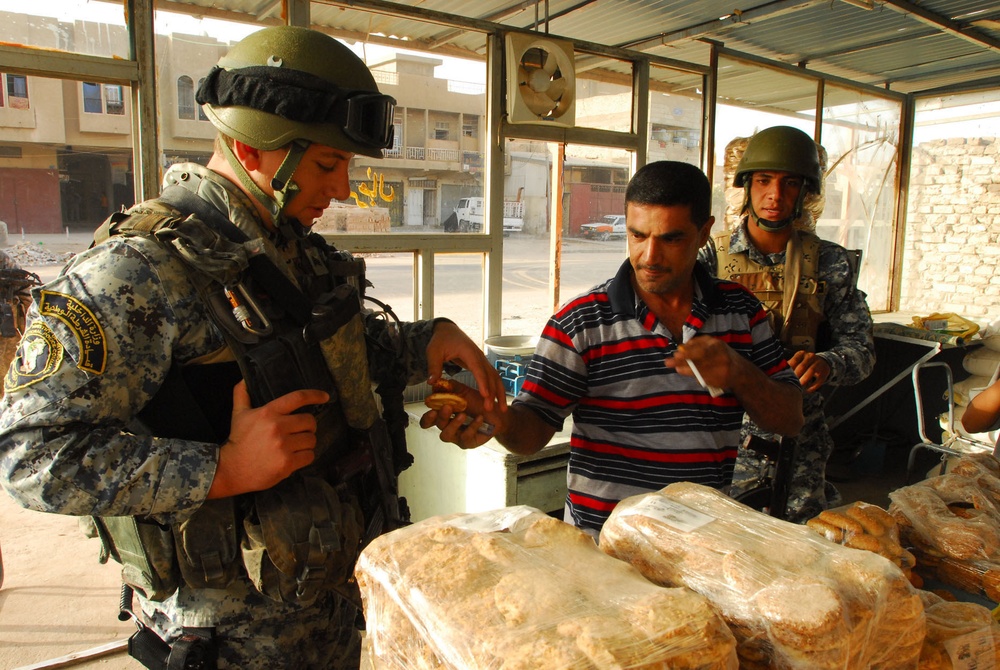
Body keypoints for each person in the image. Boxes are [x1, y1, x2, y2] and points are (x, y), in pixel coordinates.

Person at [0, 26, 504, 670]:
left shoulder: (286, 244)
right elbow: (30, 455)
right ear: (250, 148)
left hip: (334, 607)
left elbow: (335, 354)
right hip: (233, 642)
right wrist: (224, 469)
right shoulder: (135, 272)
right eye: (328, 164)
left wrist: (429, 343)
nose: (344, 189)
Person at [422, 160, 803, 536]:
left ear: (704, 232)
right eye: (638, 235)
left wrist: (739, 372)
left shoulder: (741, 311)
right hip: (604, 548)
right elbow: (531, 432)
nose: (649, 257)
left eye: (670, 239)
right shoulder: (580, 324)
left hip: (702, 543)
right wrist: (498, 420)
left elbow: (789, 419)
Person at [699, 125, 875, 524]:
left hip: (800, 442)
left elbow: (862, 349)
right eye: (763, 181)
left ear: (804, 192)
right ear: (746, 187)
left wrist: (828, 363)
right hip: (724, 440)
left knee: (800, 550)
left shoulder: (831, 263)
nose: (775, 195)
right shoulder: (709, 258)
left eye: (789, 183)